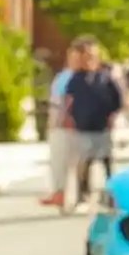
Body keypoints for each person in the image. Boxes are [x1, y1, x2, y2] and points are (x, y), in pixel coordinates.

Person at [64, 37, 122, 207]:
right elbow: (69, 101)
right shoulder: (76, 79)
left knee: (107, 161)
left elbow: (116, 100)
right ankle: (83, 195)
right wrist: (69, 118)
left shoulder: (105, 77)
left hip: (102, 125)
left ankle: (112, 196)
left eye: (92, 56)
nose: (89, 60)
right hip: (83, 126)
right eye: (86, 56)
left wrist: (112, 116)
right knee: (84, 162)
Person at [40, 42, 82, 210]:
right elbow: (55, 102)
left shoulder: (87, 78)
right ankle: (59, 193)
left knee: (78, 165)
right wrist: (52, 123)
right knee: (58, 161)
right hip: (60, 125)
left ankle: (78, 196)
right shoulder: (63, 77)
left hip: (80, 126)